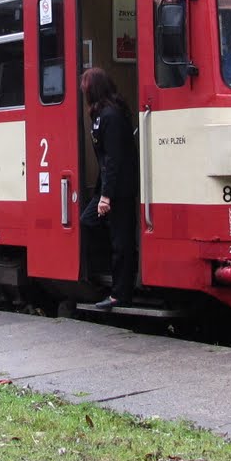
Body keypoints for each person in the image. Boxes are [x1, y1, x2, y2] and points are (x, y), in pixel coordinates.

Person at [79, 66, 138, 310]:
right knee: (89, 221)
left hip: (118, 189)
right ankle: (111, 280)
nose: (83, 91)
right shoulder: (102, 114)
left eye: (86, 87)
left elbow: (113, 159)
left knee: (121, 240)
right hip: (110, 187)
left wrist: (106, 196)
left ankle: (120, 293)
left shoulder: (111, 116)